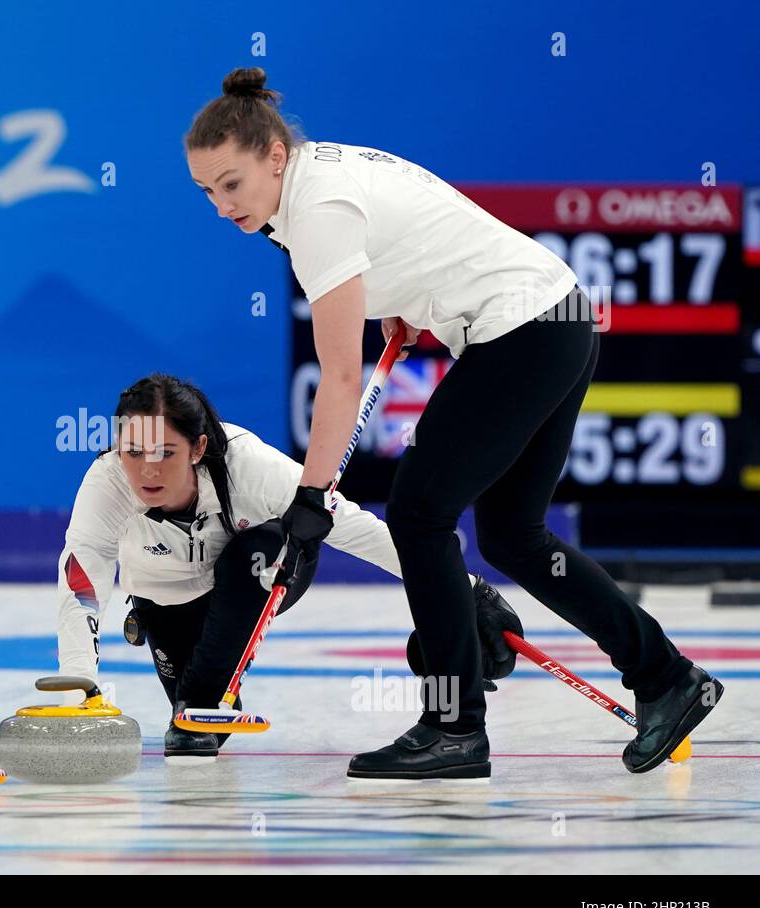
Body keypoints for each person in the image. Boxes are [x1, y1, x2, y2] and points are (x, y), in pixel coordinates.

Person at [184, 67, 723, 780]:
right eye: (207, 192)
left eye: (232, 184)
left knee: (418, 514)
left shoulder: (318, 210)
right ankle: (667, 677)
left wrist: (310, 502)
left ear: (274, 157)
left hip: (525, 331)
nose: (223, 206)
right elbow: (417, 236)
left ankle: (453, 726)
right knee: (511, 535)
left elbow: (342, 377)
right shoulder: (314, 181)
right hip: (559, 316)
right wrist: (408, 296)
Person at [55, 373, 520, 761]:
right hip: (165, 598)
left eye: (165, 453)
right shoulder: (107, 485)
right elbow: (82, 581)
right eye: (132, 452)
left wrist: (464, 589)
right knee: (206, 733)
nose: (146, 470)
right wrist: (80, 691)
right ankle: (199, 690)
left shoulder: (247, 466)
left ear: (197, 448)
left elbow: (353, 526)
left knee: (255, 554)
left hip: (263, 574)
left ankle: (200, 698)